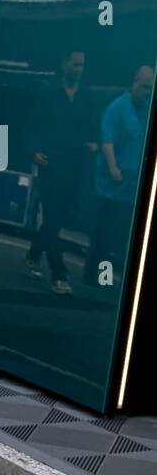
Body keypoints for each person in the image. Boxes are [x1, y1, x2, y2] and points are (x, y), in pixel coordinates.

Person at [26, 50, 98, 296]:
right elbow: (32, 126)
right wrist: (34, 151)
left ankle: (33, 253)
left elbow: (93, 128)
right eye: (75, 64)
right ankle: (59, 275)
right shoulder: (47, 92)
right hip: (50, 164)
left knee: (55, 219)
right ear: (64, 63)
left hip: (74, 166)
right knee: (53, 217)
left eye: (82, 65)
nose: (79, 69)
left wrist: (93, 144)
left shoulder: (86, 97)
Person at [89, 65, 153, 278]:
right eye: (144, 86)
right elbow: (107, 140)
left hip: (132, 185)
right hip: (112, 184)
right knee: (104, 233)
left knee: (120, 234)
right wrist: (113, 167)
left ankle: (108, 276)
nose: (147, 92)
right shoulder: (118, 107)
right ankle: (95, 275)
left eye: (151, 88)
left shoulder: (147, 110)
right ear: (134, 83)